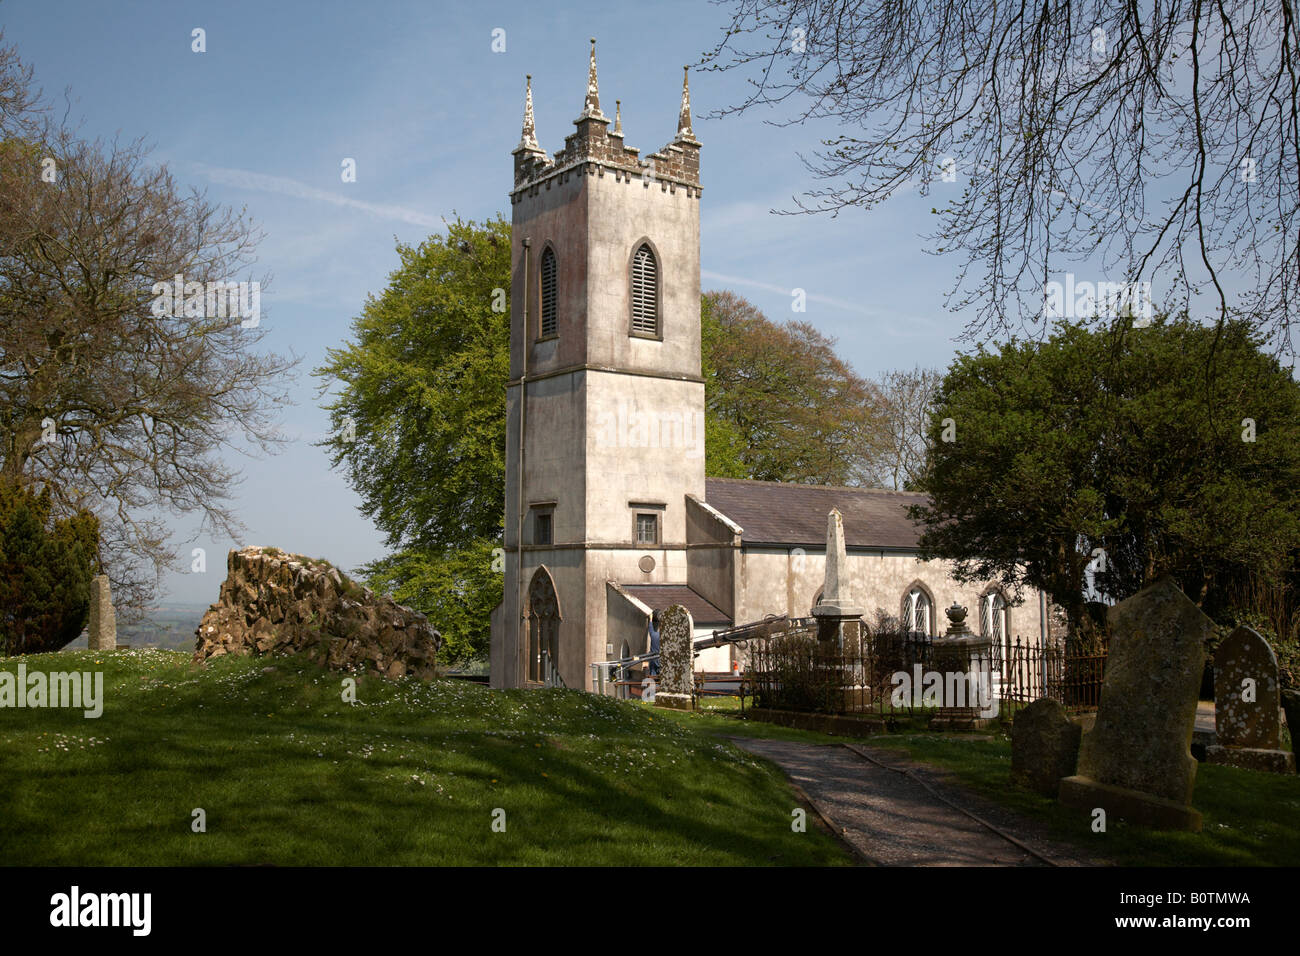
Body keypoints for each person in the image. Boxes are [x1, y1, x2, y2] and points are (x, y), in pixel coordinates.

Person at [647, 610, 662, 677]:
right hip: (660, 659)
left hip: (653, 659)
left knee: (653, 676)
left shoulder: (653, 635)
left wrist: (650, 619)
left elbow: (650, 628)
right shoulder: (664, 638)